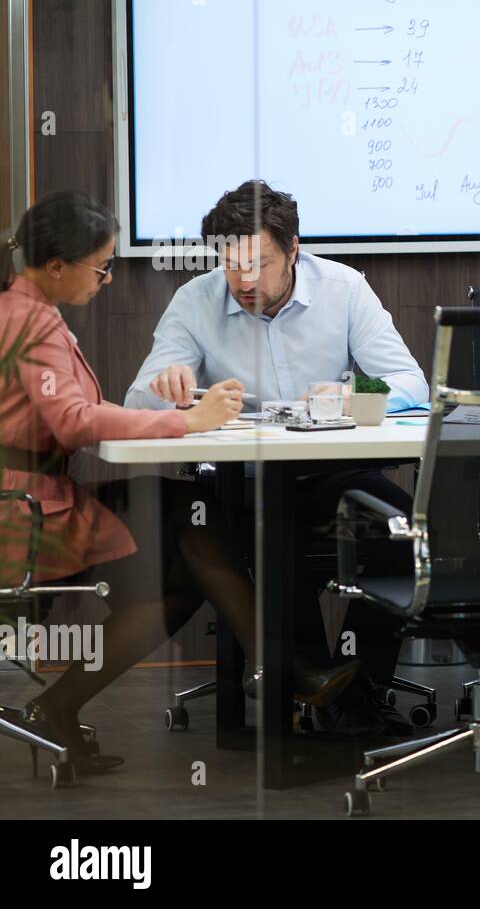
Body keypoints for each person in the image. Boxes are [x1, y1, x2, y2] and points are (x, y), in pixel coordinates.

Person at [0, 191, 356, 773]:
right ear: (58, 266)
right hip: (25, 516)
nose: (109, 279)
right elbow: (72, 420)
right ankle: (277, 666)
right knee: (185, 515)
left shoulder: (25, 309)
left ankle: (59, 707)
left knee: (182, 548)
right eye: (102, 266)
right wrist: (185, 420)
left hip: (34, 500)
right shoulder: (31, 320)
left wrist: (174, 418)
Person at [124, 181, 429, 735]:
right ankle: (322, 692)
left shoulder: (344, 288)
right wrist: (166, 385)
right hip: (245, 481)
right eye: (229, 263)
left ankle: (357, 691)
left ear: (293, 250)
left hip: (338, 472)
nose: (242, 280)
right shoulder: (195, 301)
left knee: (406, 538)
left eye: (258, 263)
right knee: (271, 537)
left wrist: (350, 395)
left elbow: (411, 382)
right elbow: (137, 399)